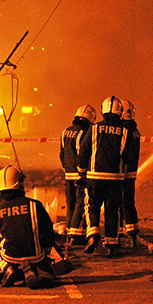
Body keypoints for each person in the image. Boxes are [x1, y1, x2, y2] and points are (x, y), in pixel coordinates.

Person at [0, 165, 58, 289]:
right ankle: (39, 271)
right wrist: (47, 249)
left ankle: (8, 268)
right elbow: (48, 230)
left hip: (10, 256)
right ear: (19, 184)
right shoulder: (35, 205)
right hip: (36, 255)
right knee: (49, 272)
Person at [81, 97, 128, 256]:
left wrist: (81, 171)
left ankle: (93, 234)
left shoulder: (94, 129)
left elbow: (84, 151)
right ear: (119, 111)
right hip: (115, 179)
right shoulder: (124, 131)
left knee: (91, 206)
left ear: (103, 110)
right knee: (112, 211)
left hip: (94, 177)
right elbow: (128, 156)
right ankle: (112, 244)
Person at [60, 105, 97, 246]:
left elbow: (62, 153)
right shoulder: (85, 132)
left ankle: (69, 231)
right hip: (80, 174)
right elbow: (84, 154)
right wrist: (83, 172)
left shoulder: (65, 131)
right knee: (80, 203)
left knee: (70, 203)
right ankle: (75, 234)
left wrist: (66, 168)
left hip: (68, 173)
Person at [119, 99, 142, 248]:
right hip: (131, 171)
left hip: (122, 171)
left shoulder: (124, 131)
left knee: (120, 201)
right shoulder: (135, 130)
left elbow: (121, 151)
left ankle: (123, 231)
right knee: (128, 201)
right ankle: (132, 231)